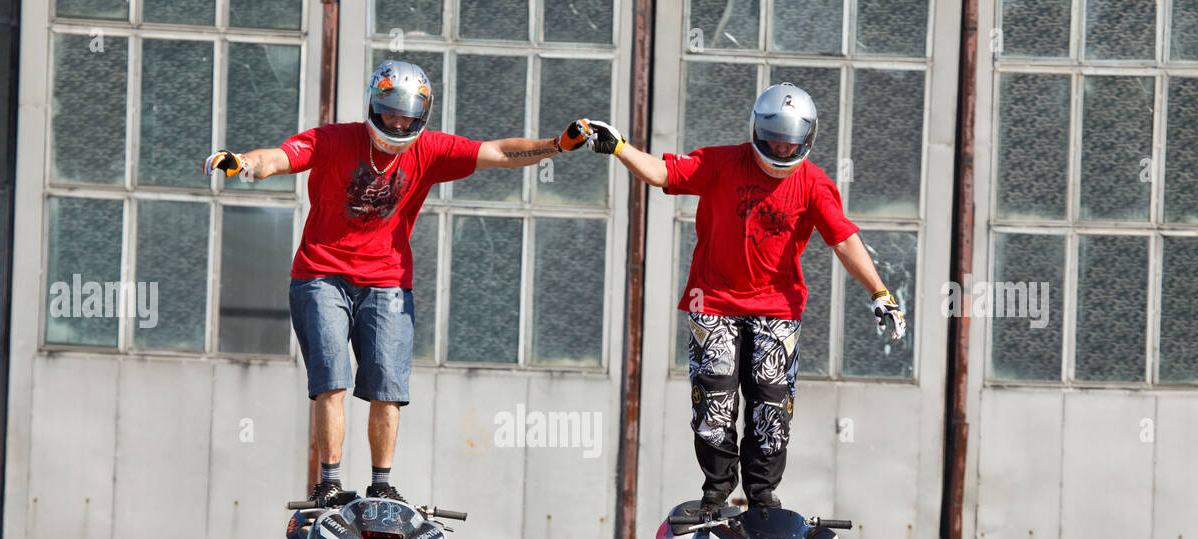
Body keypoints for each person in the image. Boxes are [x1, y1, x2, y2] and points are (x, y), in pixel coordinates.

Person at [205, 60, 590, 506]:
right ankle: (329, 482)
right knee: (331, 381)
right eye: (389, 111)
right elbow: (283, 157)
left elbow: (499, 153)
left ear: (422, 115)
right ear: (373, 103)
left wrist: (558, 145)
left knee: (387, 386)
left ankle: (381, 483)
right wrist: (245, 164)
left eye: (408, 115)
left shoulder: (428, 149)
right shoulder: (335, 139)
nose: (398, 122)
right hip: (320, 275)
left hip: (387, 281)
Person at [580, 84, 907, 514]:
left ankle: (762, 496)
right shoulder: (721, 162)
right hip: (712, 299)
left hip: (777, 307)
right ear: (755, 128)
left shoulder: (813, 184)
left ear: (806, 140)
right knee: (714, 399)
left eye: (789, 142)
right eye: (771, 137)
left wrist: (880, 292)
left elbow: (844, 240)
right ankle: (715, 493)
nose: (779, 148)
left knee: (771, 403)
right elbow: (663, 173)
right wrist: (619, 148)